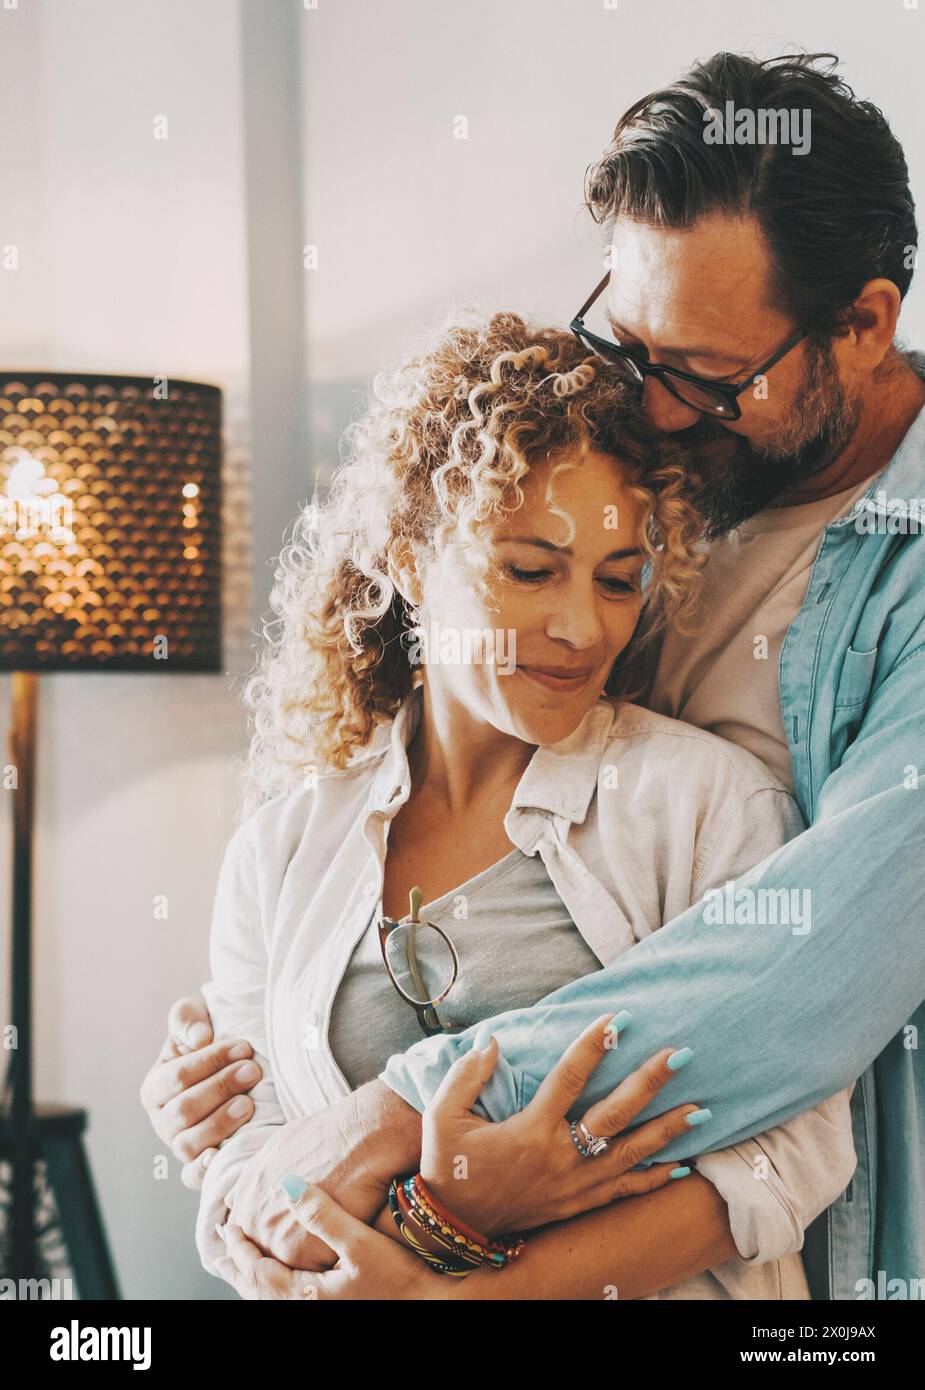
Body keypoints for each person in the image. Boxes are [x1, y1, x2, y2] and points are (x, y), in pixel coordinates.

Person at [142, 51, 925, 1299]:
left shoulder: (875, 598)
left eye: (704, 379)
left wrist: (416, 1151)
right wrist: (238, 1121)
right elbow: (265, 1180)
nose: (653, 413)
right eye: (625, 343)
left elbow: (824, 965)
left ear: (866, 324)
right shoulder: (652, 464)